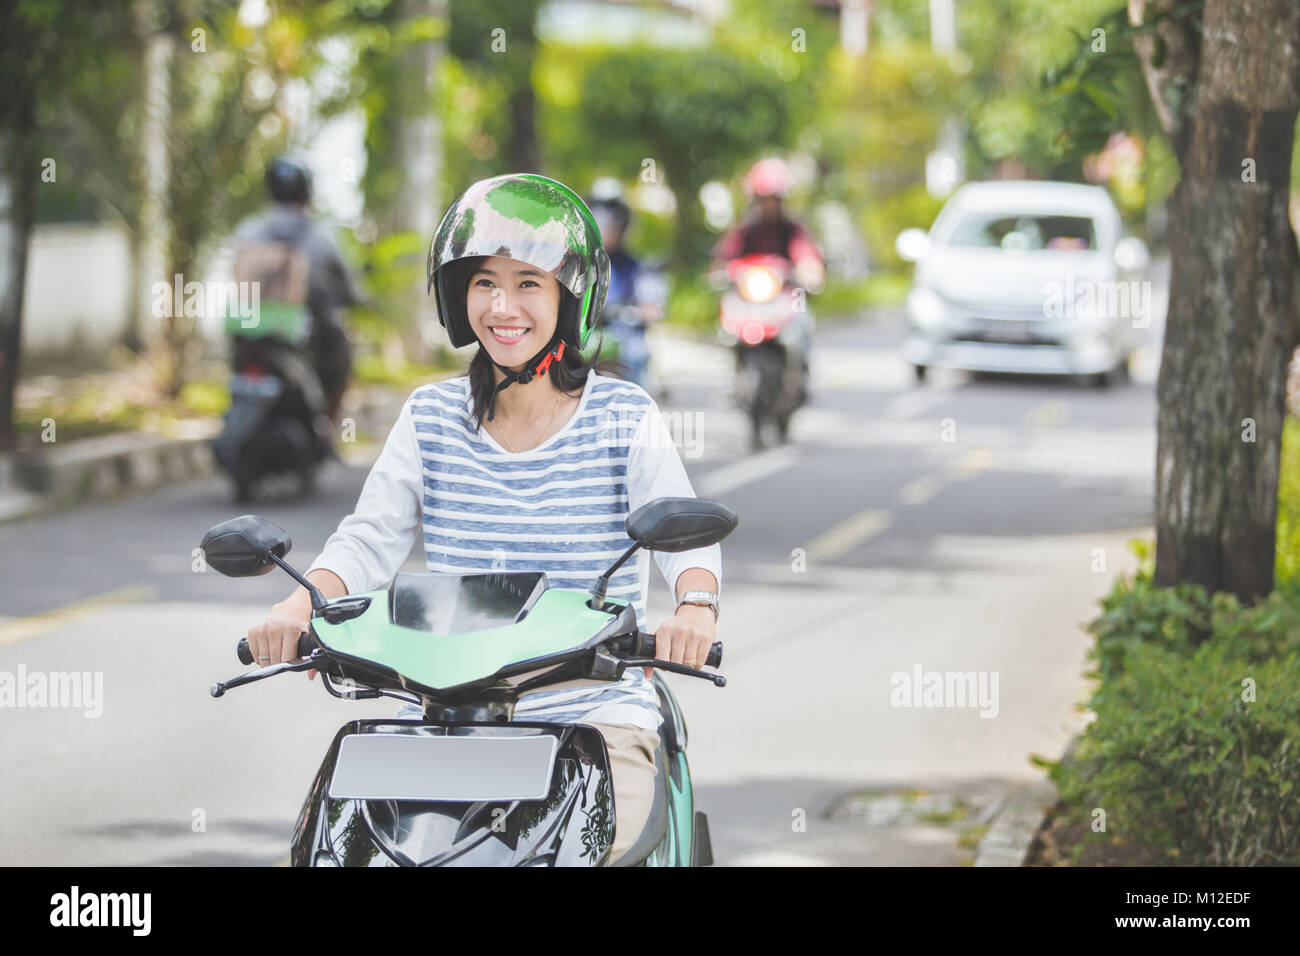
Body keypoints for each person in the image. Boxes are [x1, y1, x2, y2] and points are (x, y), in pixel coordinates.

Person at [243, 173, 722, 865]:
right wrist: (298, 606)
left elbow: (683, 531)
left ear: (571, 294)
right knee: (338, 851)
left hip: (586, 711)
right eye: (484, 283)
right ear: (457, 297)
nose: (504, 306)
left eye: (529, 282)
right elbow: (372, 533)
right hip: (439, 716)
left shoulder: (624, 416)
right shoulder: (431, 416)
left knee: (607, 847)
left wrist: (696, 607)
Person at [231, 157, 363, 424]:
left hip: (248, 330)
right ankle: (327, 430)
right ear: (307, 191)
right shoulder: (322, 237)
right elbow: (348, 285)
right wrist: (359, 298)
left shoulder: (248, 231)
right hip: (307, 333)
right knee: (343, 356)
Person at [586, 178, 662, 391]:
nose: (605, 227)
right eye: (599, 218)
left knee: (637, 351)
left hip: (623, 338)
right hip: (584, 337)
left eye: (612, 222)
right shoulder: (576, 262)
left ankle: (635, 407)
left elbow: (652, 304)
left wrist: (641, 311)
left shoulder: (636, 266)